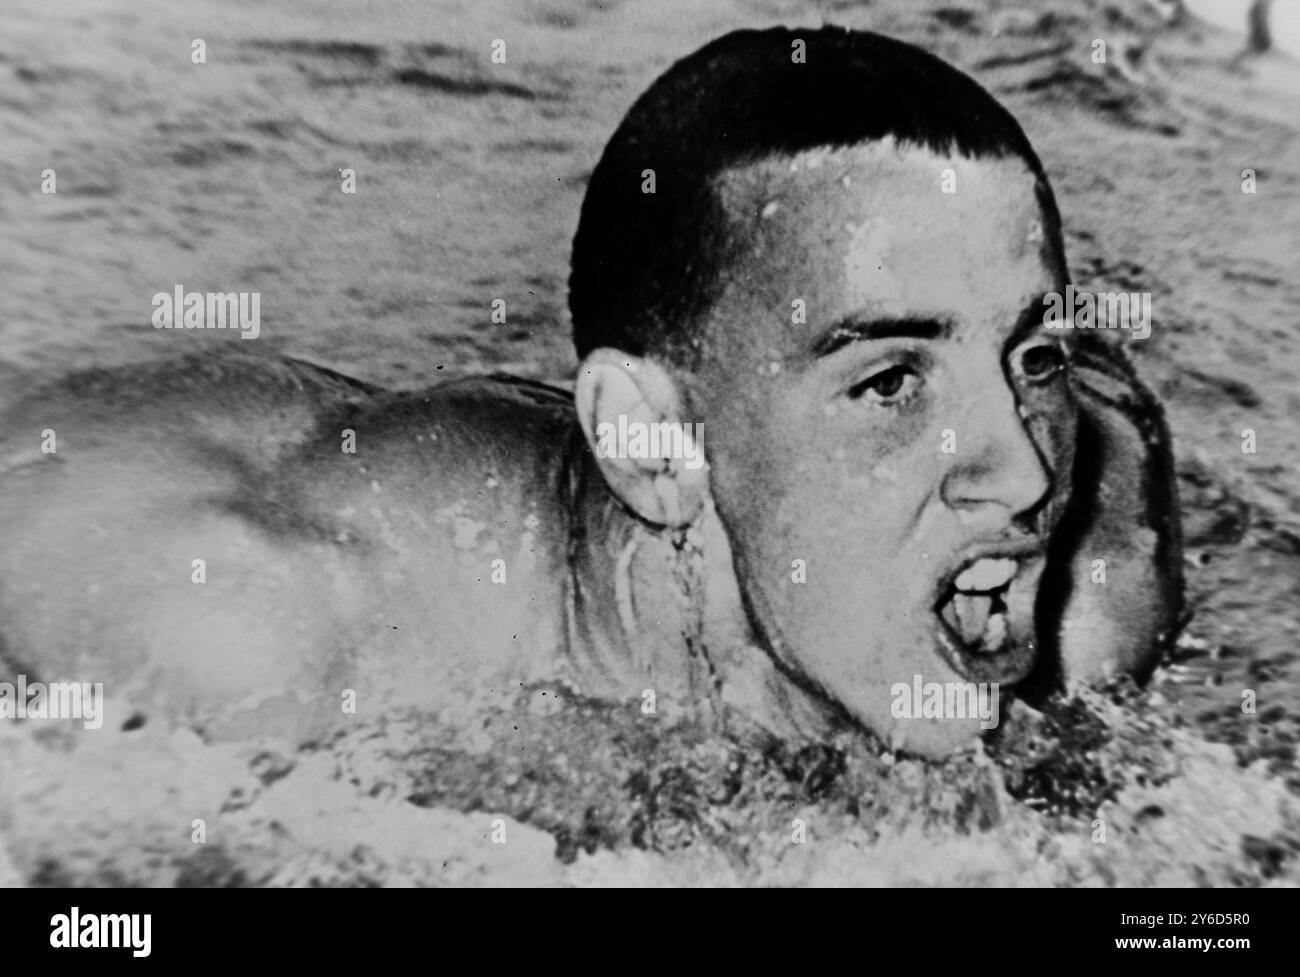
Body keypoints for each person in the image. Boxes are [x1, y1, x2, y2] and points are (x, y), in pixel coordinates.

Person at [0, 27, 1182, 757]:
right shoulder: (253, 638)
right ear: (651, 442)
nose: (1020, 472)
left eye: (1029, 355)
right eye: (888, 381)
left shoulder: (1088, 567)